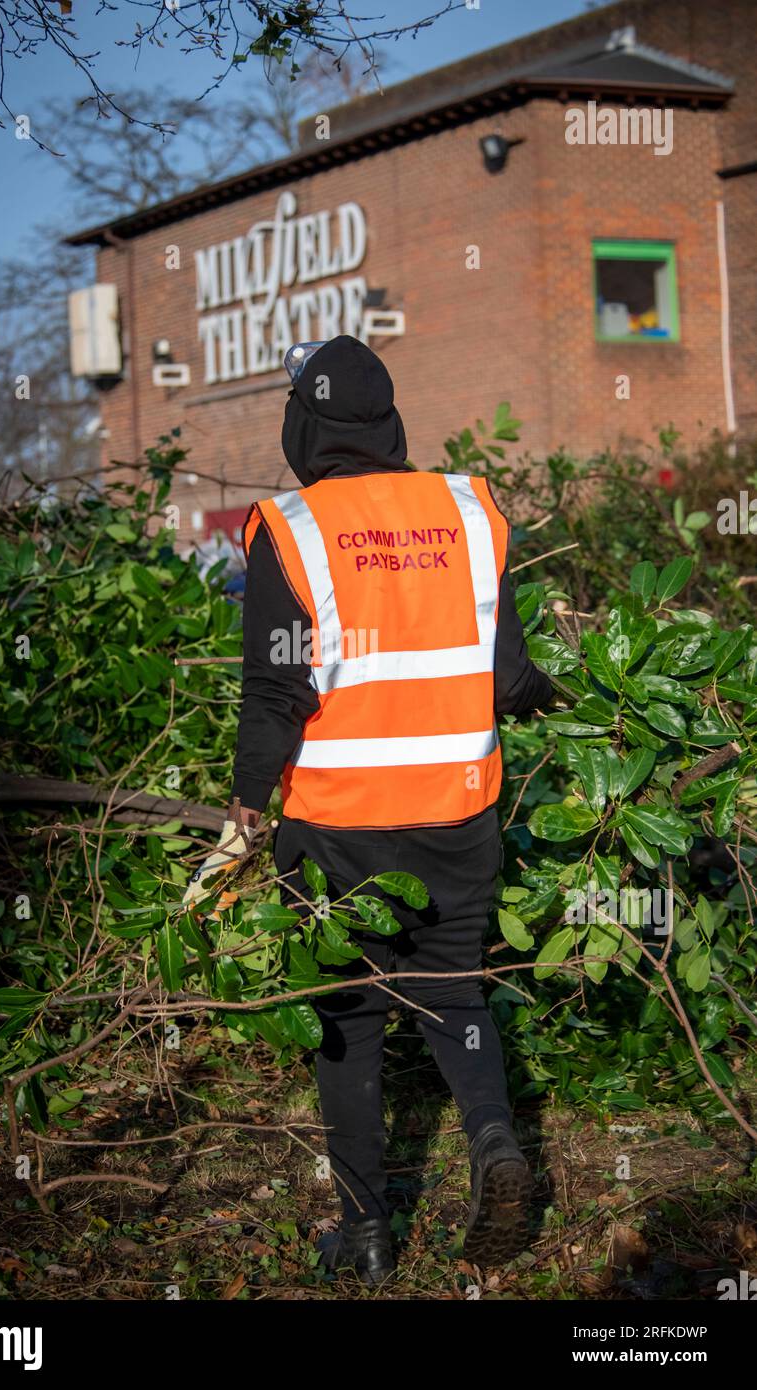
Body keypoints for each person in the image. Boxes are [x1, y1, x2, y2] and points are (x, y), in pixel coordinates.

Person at [182, 335, 554, 1284]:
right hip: (455, 814)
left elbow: (275, 692)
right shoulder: (469, 511)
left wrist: (244, 812)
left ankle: (367, 1236)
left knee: (346, 1021)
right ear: (389, 424)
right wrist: (570, 700)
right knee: (453, 995)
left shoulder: (292, 529)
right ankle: (497, 1148)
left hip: (338, 827)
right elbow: (509, 679)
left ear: (302, 424)